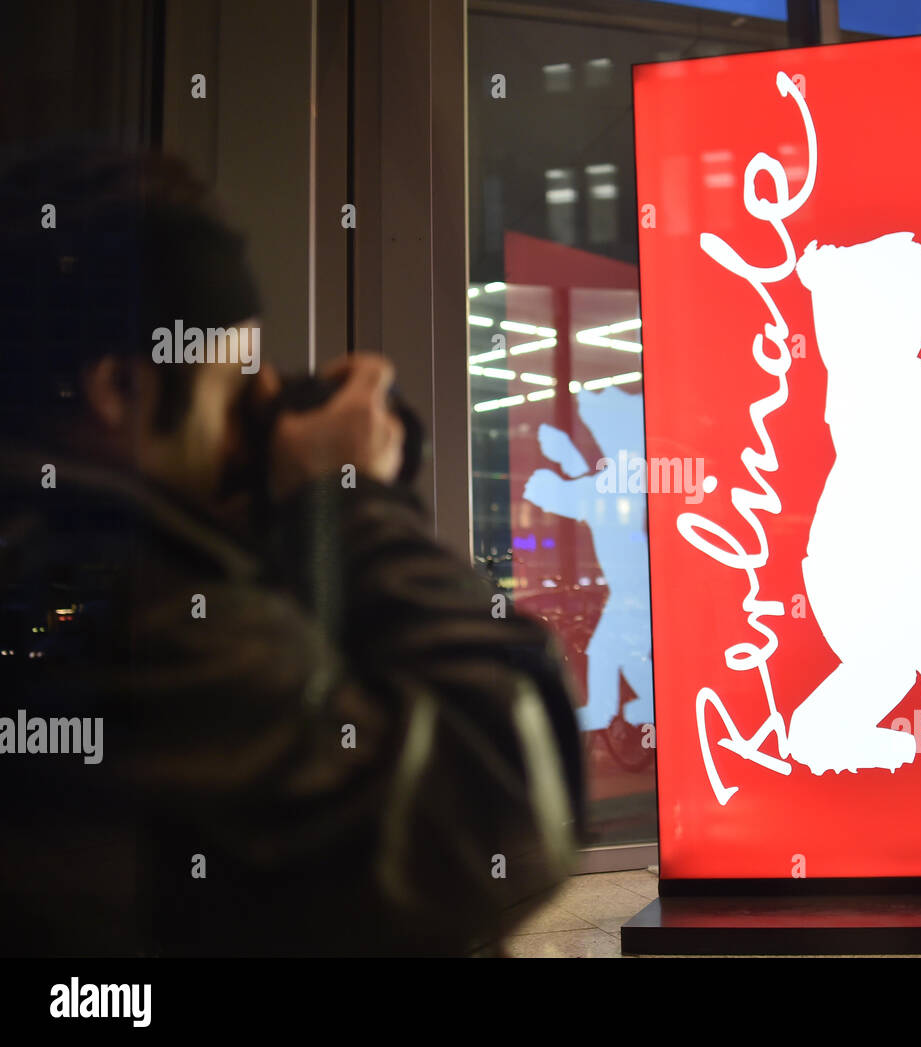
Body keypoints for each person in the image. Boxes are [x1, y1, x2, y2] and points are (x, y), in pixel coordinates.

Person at [0, 146, 584, 956]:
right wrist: (352, 498)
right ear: (122, 391)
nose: (261, 409)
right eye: (235, 384)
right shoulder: (135, 616)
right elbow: (502, 802)